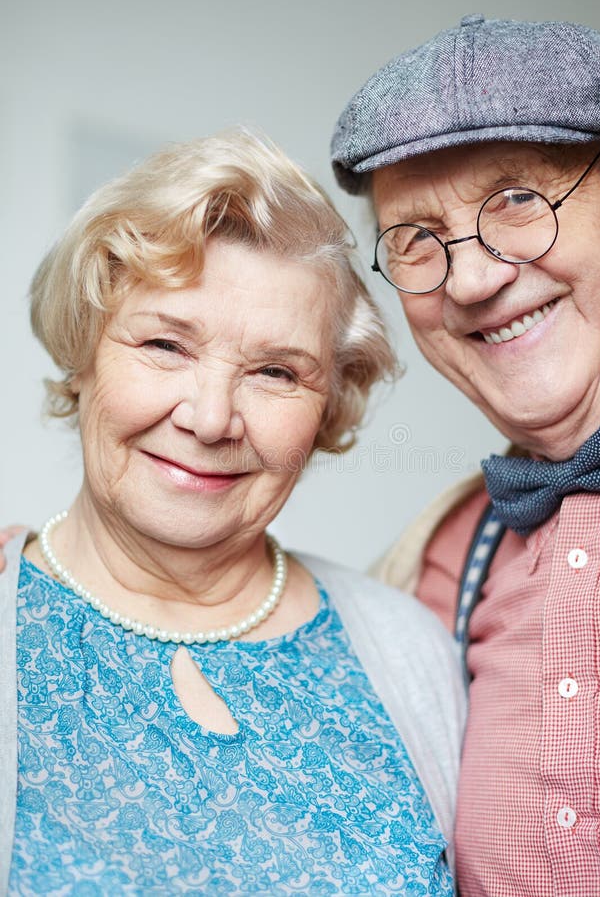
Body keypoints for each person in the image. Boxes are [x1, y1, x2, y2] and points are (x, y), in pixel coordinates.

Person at [0, 129, 464, 894]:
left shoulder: (407, 651)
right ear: (83, 353)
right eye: (165, 345)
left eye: (275, 371)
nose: (211, 418)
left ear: (329, 407)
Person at [330, 13, 600, 897]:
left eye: (517, 199)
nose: (470, 279)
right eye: (416, 236)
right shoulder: (442, 559)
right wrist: (75, 573)